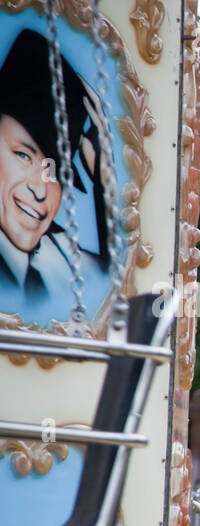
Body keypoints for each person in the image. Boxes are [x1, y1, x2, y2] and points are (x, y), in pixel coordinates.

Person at [0, 30, 109, 321]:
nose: (40, 189)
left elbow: (115, 283)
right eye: (22, 155)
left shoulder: (59, 256)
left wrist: (103, 181)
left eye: (54, 171)